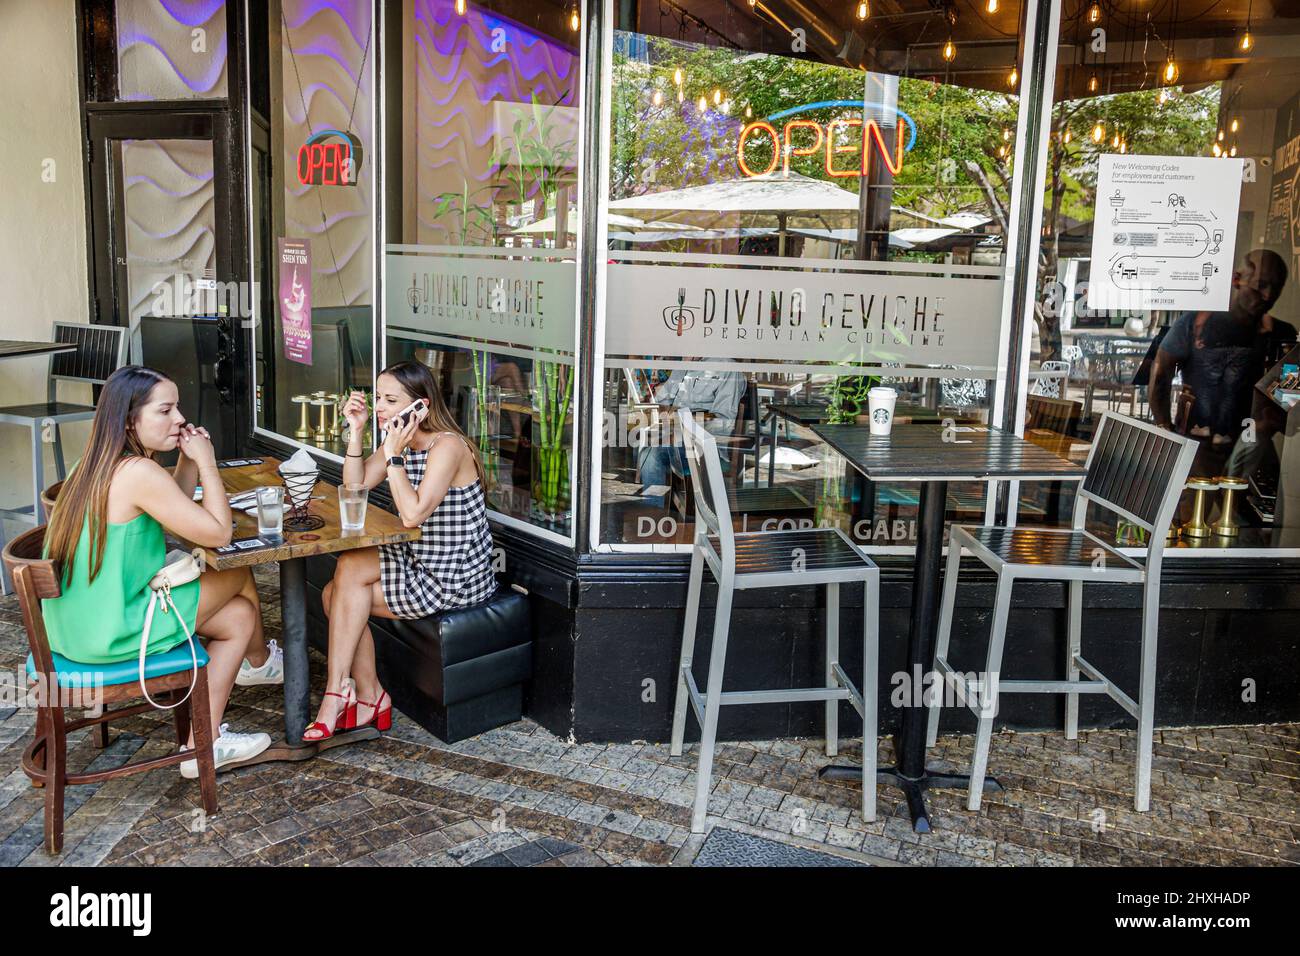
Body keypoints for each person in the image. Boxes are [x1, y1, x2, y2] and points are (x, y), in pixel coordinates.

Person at [41, 366, 272, 775]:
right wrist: (207, 462)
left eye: (178, 408)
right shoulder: (138, 472)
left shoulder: (94, 463)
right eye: (165, 410)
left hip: (72, 627)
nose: (180, 418)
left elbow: (171, 510)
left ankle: (205, 739)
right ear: (131, 420)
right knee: (237, 574)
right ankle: (261, 662)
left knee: (240, 614)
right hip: (112, 630)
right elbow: (218, 534)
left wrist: (185, 462)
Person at [304, 361, 496, 740]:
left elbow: (413, 514)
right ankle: (360, 694)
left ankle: (351, 697)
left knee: (335, 594)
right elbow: (354, 487)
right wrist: (357, 434)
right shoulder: (399, 441)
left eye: (391, 400)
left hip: (453, 576)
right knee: (345, 572)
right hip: (418, 558)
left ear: (420, 407)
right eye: (378, 398)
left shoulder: (448, 446)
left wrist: (393, 457)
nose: (380, 407)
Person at [1149, 249, 1293, 442]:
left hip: (1247, 446)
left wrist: (1265, 427)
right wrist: (1164, 430)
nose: (1268, 296)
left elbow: (1289, 404)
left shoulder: (1282, 334)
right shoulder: (1195, 322)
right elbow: (1160, 374)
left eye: (1275, 288)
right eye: (1260, 285)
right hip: (1199, 444)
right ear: (1236, 280)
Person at [636, 365, 747, 506]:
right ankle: (657, 511)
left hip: (706, 448)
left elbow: (722, 422)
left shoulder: (727, 369)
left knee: (652, 456)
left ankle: (654, 515)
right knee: (644, 450)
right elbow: (662, 399)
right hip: (679, 436)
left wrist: (682, 426)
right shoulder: (687, 363)